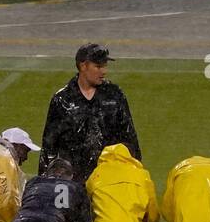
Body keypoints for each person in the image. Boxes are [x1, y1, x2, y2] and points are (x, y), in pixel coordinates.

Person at [40, 43, 140, 183]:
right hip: (73, 182)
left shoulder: (115, 95)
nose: (104, 71)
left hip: (108, 179)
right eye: (98, 67)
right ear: (83, 66)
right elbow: (49, 145)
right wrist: (45, 185)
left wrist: (136, 175)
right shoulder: (62, 100)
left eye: (105, 66)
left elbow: (129, 138)